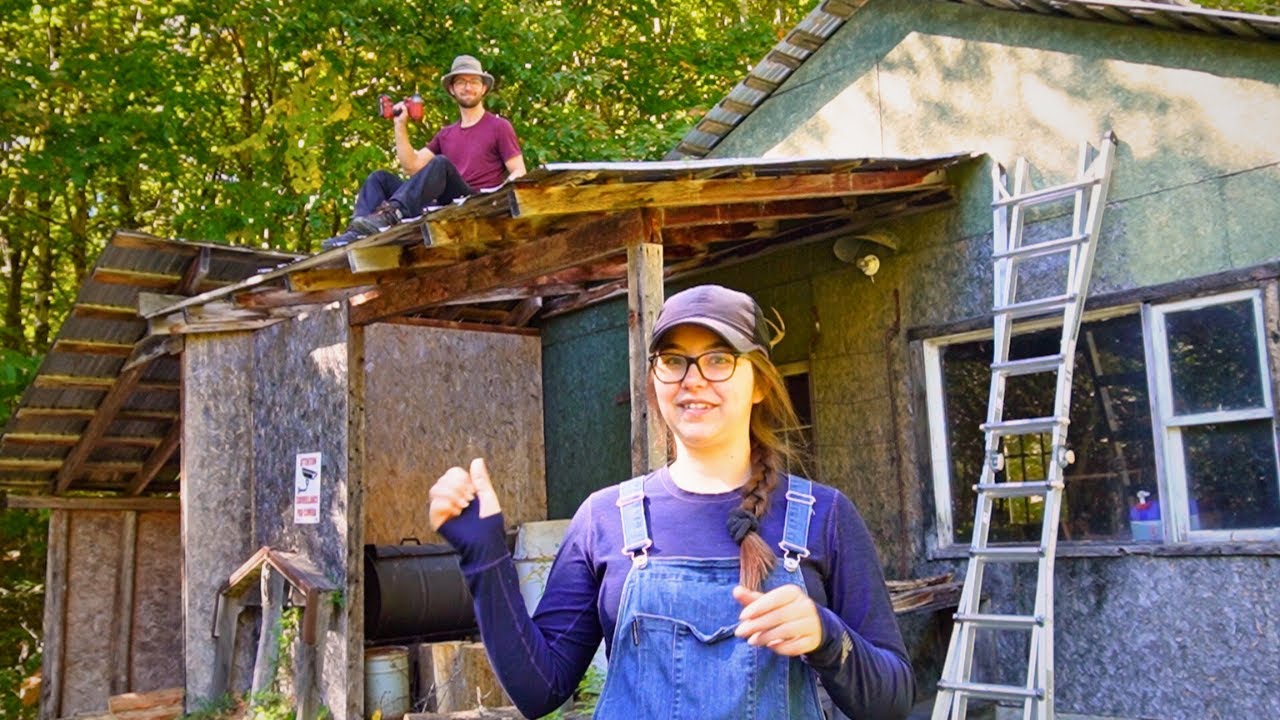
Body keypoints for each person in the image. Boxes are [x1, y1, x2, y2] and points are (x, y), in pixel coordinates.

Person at [429, 284, 914, 719]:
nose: (693, 379)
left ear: (760, 382)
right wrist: (485, 556)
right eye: (674, 359)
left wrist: (827, 637)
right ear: (655, 379)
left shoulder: (824, 517)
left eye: (720, 358)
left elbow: (892, 701)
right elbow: (539, 690)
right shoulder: (605, 519)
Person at [322, 54, 526, 250]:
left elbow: (519, 171)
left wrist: (497, 197)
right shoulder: (446, 134)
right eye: (461, 82)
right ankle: (356, 233)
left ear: (483, 88)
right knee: (379, 179)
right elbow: (412, 167)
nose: (468, 87)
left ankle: (394, 214)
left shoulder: (499, 126)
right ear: (452, 89)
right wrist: (400, 124)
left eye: (473, 81)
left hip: (475, 202)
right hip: (445, 204)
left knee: (441, 164)